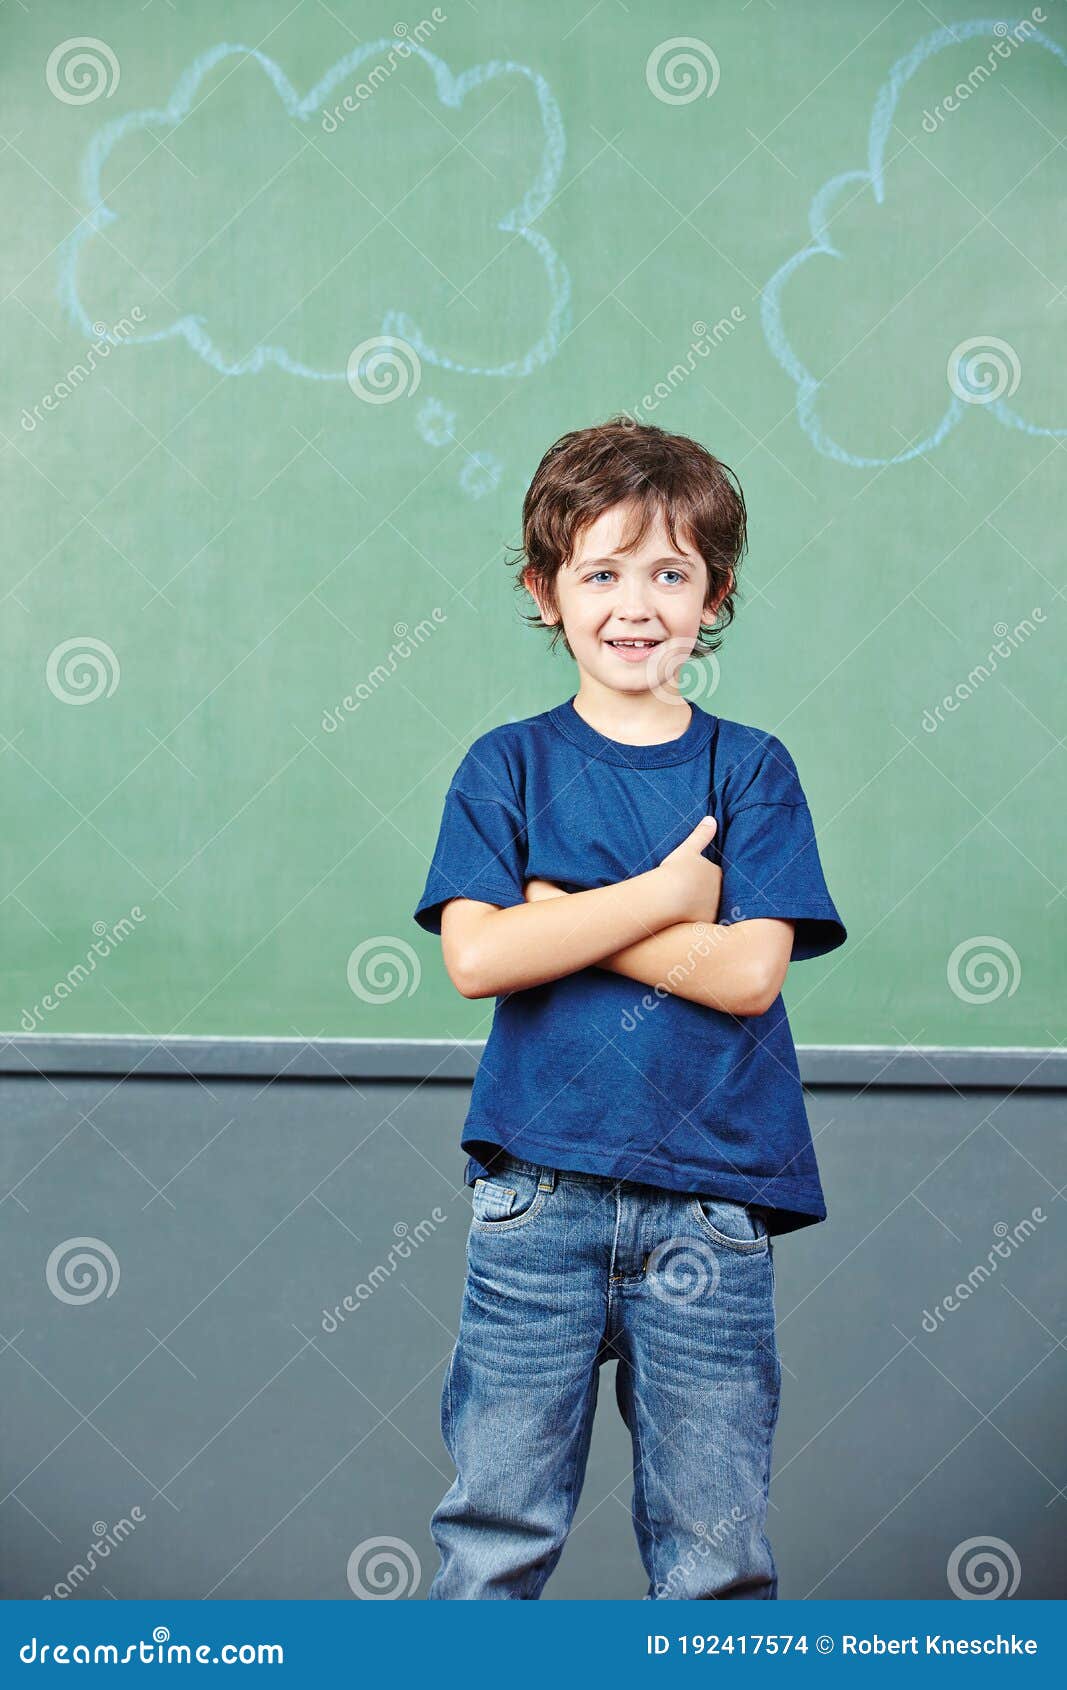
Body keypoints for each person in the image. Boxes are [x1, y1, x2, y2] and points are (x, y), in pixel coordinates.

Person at [412, 415, 847, 1599]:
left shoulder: (749, 770)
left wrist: (566, 915)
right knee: (493, 1535)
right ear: (544, 591)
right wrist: (660, 900)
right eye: (600, 571)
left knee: (714, 1556)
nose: (635, 602)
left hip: (710, 1204)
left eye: (670, 572)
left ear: (713, 596)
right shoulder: (503, 766)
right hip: (534, 1198)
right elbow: (476, 958)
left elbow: (748, 972)